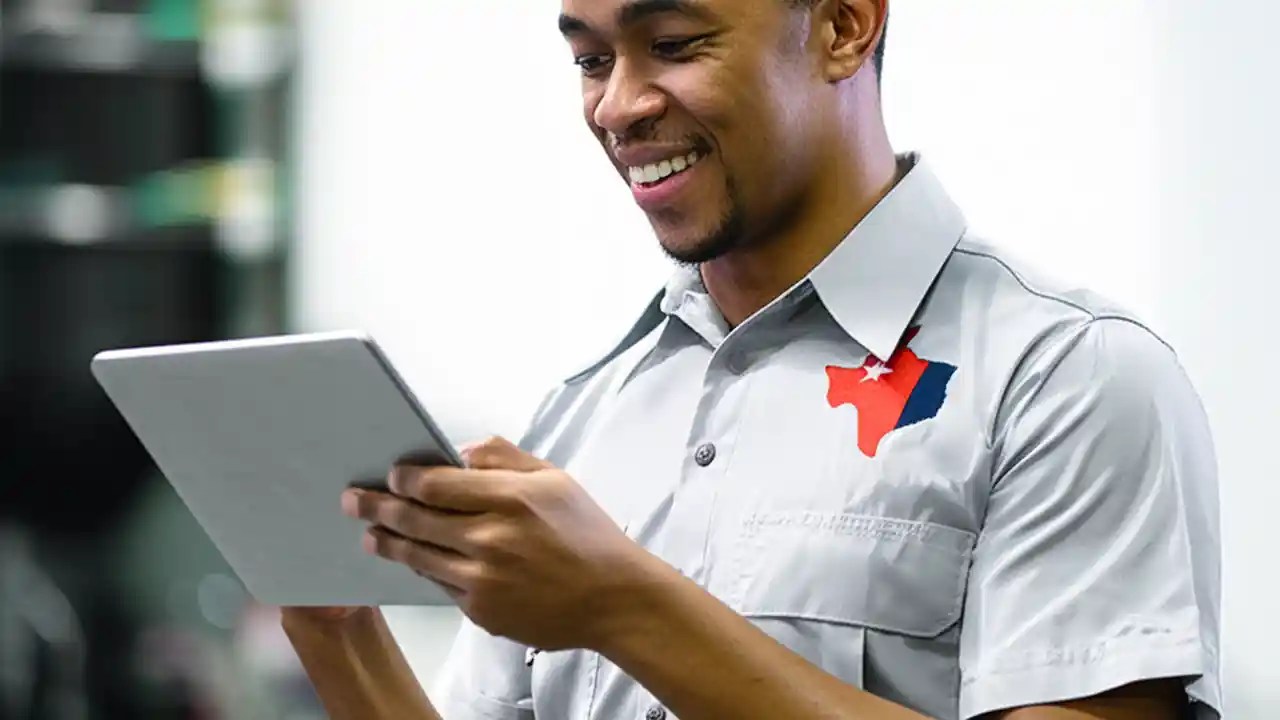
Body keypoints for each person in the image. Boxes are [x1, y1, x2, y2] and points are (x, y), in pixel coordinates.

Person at [282, 0, 1222, 718]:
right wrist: (339, 638)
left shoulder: (1067, 380)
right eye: (590, 59)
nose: (617, 106)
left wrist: (624, 608)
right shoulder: (580, 416)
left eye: (677, 45)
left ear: (845, 27)